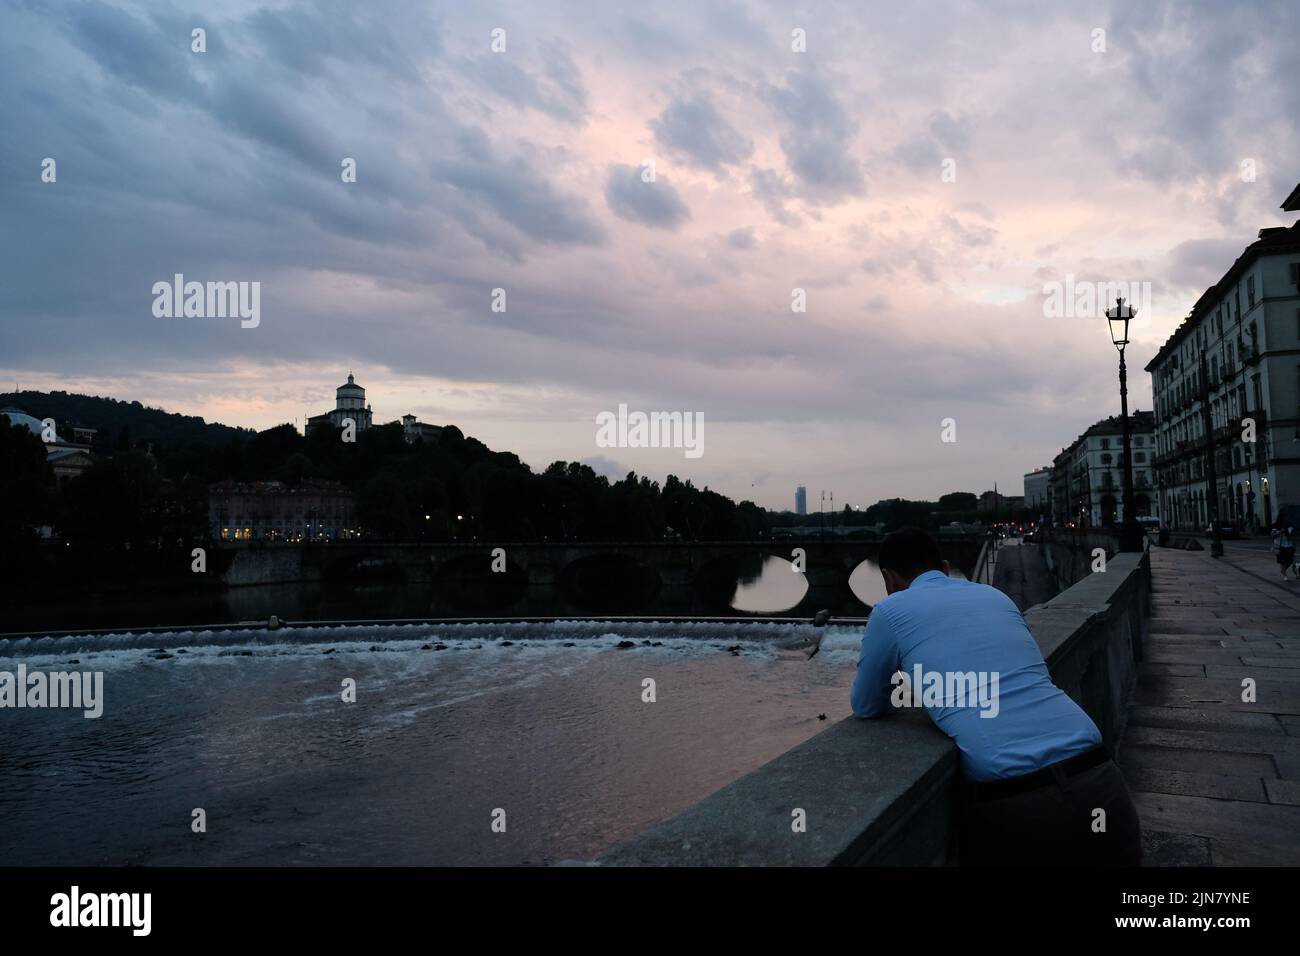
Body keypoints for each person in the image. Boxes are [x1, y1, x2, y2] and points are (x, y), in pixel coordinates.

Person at [850, 526, 1141, 866]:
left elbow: (866, 705)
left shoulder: (890, 611)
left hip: (1018, 803)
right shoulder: (995, 597)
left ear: (888, 578)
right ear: (944, 568)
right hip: (1100, 777)